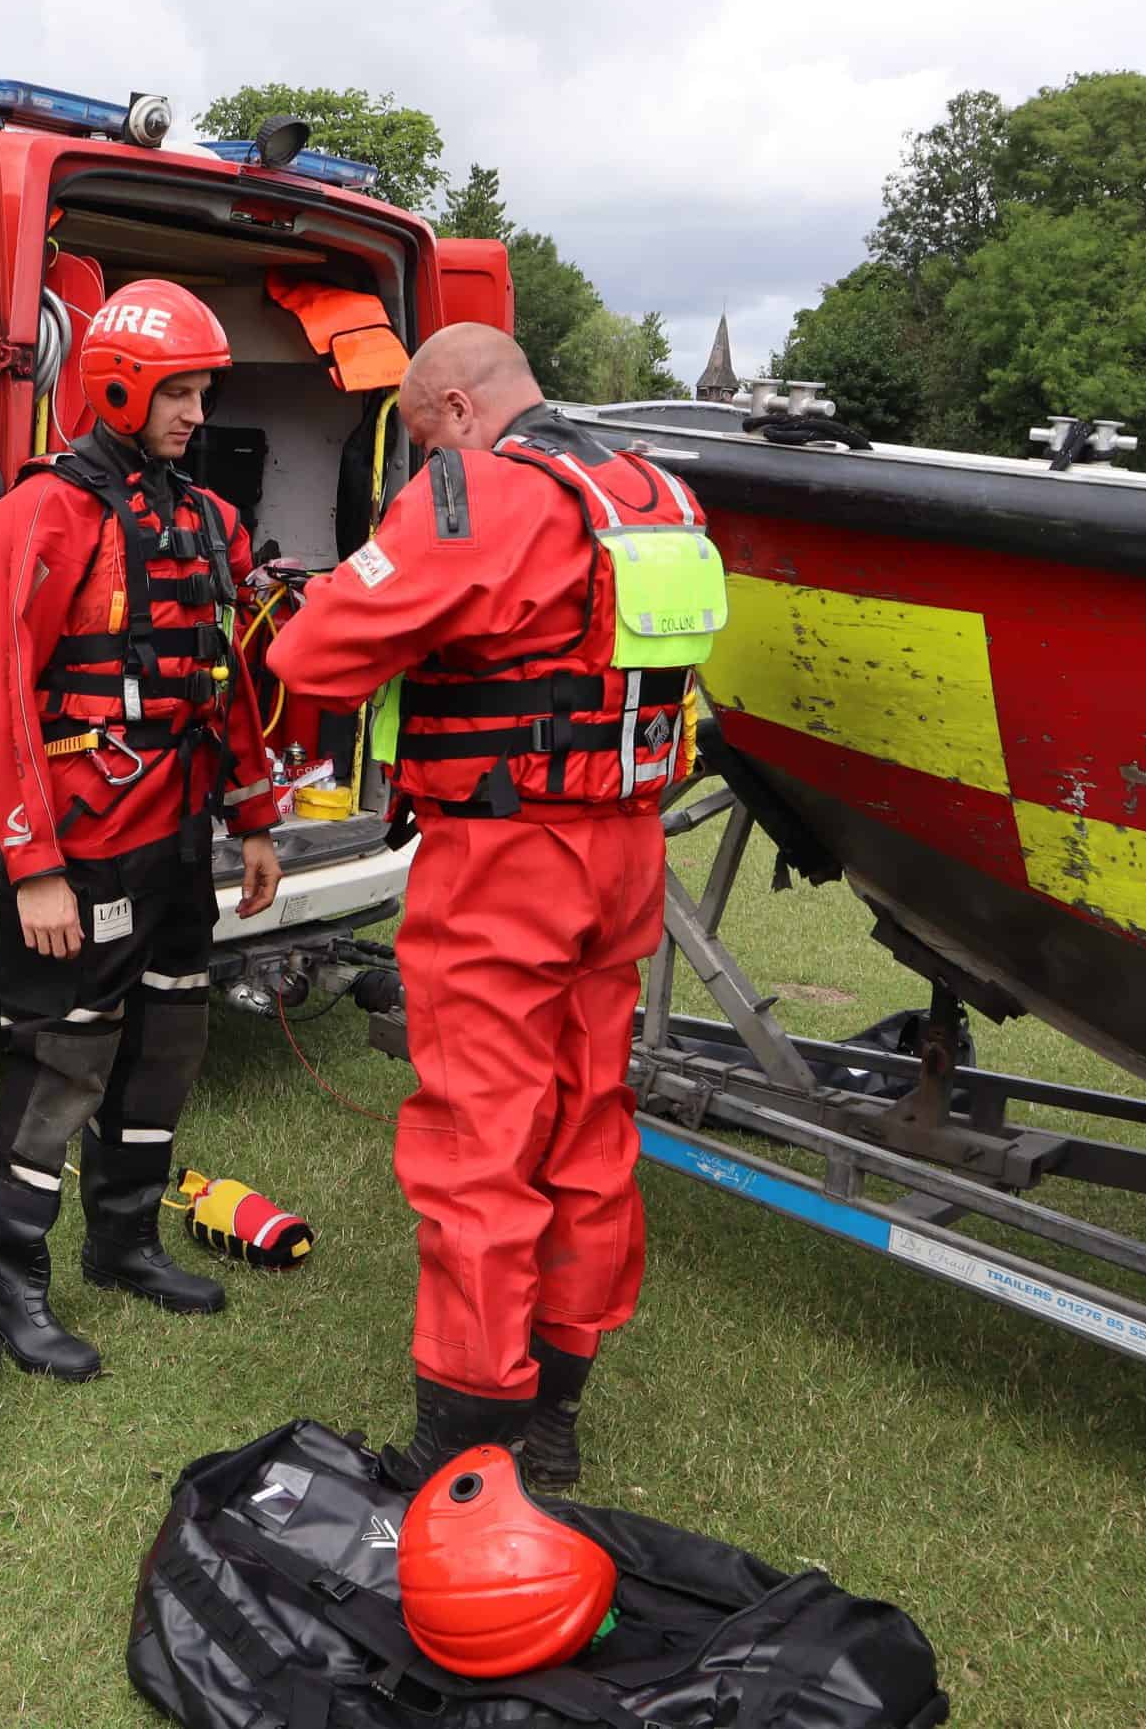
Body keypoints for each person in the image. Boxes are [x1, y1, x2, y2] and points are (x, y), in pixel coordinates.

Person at [267, 323, 716, 1489]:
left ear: (457, 411)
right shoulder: (654, 491)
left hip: (507, 858)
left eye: (420, 438)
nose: (422, 462)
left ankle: (461, 1439)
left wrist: (338, 588)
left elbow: (313, 656)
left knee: (482, 1138)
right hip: (623, 849)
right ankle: (555, 1413)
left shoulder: (477, 491)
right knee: (588, 1124)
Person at [0, 279, 284, 1380]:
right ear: (120, 385)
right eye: (178, 390)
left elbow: (221, 677)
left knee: (167, 1043)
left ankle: (126, 1239)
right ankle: (14, 1284)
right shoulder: (42, 516)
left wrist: (256, 818)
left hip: (179, 836)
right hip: (86, 842)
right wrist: (34, 867)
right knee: (66, 1057)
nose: (195, 412)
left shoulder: (203, 517)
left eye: (200, 391)